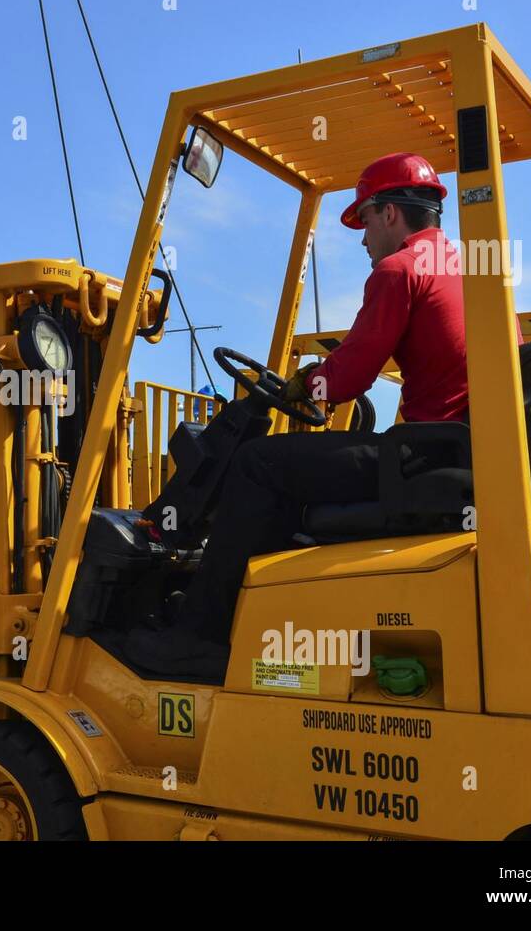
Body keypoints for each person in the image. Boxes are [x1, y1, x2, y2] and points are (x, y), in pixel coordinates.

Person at [141, 153, 476, 668]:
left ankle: (199, 635)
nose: (364, 239)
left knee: (257, 464)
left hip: (421, 458)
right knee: (293, 467)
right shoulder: (469, 270)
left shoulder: (399, 271)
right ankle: (260, 613)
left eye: (364, 221)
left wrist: (305, 384)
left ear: (389, 214)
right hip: (457, 452)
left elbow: (347, 378)